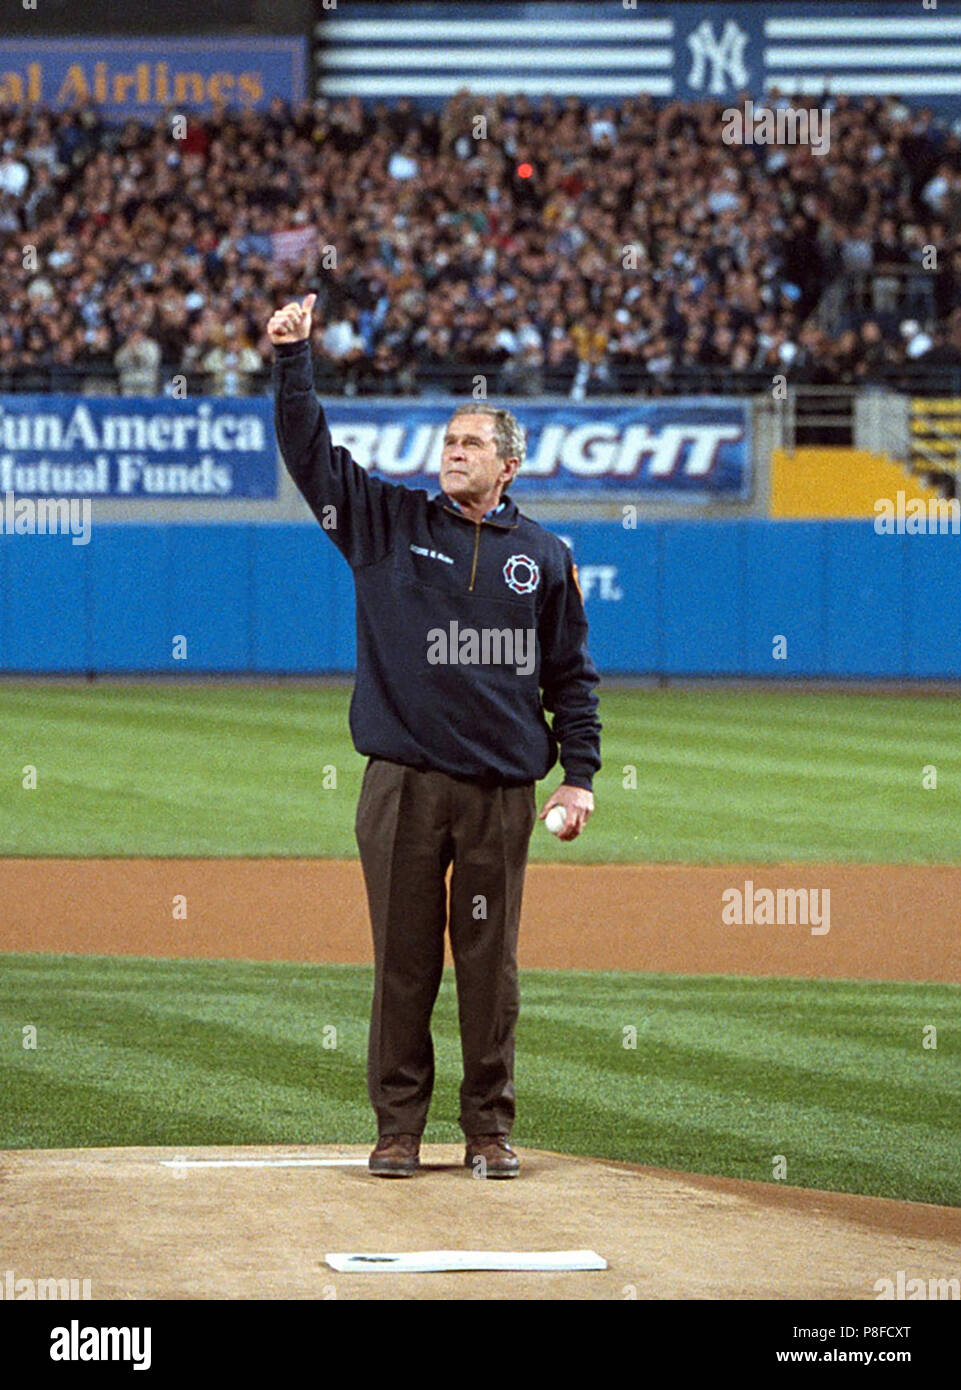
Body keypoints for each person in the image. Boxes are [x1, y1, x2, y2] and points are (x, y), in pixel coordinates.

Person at [268, 293, 601, 1179]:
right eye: (446, 441)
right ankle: (398, 1130)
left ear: (508, 465)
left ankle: (488, 1129)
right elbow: (309, 455)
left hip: (499, 794)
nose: (452, 452)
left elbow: (570, 676)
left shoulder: (546, 555)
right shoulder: (386, 525)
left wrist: (579, 776)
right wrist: (293, 361)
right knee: (403, 965)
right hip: (403, 787)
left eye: (470, 444)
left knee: (490, 970)